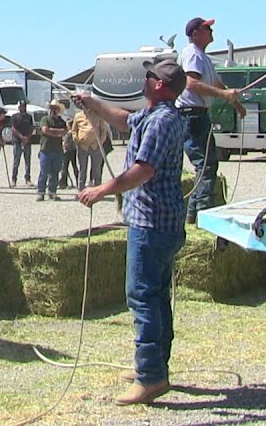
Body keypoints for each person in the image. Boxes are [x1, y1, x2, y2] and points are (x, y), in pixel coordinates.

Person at [73, 59, 187, 405]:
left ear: (161, 86)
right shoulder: (154, 115)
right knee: (155, 295)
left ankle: (151, 376)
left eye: (150, 76)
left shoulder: (162, 121)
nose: (145, 78)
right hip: (160, 223)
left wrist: (101, 190)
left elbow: (143, 170)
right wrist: (92, 103)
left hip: (152, 224)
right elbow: (124, 120)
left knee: (142, 296)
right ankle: (153, 366)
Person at [178, 17, 246, 223]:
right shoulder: (192, 54)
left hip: (198, 114)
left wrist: (235, 103)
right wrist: (225, 96)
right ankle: (200, 213)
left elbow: (216, 83)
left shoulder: (203, 57)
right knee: (206, 165)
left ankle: (195, 213)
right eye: (206, 28)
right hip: (192, 114)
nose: (211, 30)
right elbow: (190, 83)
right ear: (195, 33)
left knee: (207, 164)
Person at [70, 103, 110, 189]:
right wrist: (77, 140)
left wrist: (101, 142)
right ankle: (81, 190)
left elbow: (103, 130)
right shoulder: (78, 116)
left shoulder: (98, 115)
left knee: (97, 169)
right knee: (82, 169)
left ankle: (97, 189)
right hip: (83, 146)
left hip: (95, 146)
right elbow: (74, 130)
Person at [35, 100, 68, 201]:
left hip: (58, 150)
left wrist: (52, 131)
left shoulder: (61, 121)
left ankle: (52, 192)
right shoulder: (45, 119)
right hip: (46, 149)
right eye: (52, 108)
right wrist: (58, 132)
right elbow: (45, 130)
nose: (53, 110)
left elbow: (65, 131)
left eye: (55, 109)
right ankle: (41, 192)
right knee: (44, 171)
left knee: (55, 172)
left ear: (58, 110)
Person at [10, 101, 35, 187]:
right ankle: (14, 179)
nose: (22, 107)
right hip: (17, 141)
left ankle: (28, 178)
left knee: (27, 161)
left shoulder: (29, 117)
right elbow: (13, 129)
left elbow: (31, 128)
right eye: (21, 106)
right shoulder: (14, 117)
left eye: (24, 106)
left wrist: (28, 137)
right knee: (16, 161)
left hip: (27, 141)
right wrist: (21, 137)